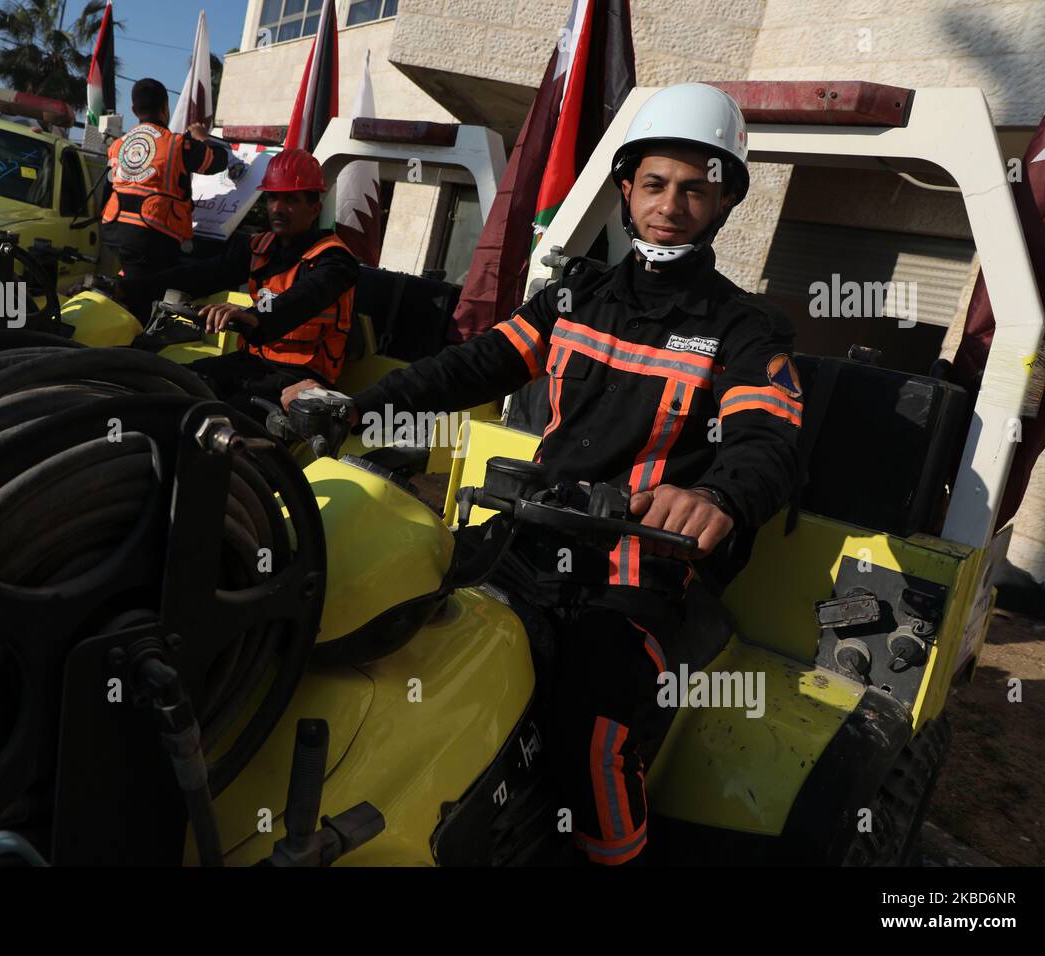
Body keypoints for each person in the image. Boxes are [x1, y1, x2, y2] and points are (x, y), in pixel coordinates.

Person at [283, 83, 802, 865]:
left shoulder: (744, 327)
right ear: (626, 189)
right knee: (380, 623)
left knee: (591, 732)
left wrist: (717, 497)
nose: (672, 205)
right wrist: (358, 407)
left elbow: (769, 440)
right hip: (526, 537)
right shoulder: (574, 294)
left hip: (638, 572)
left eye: (697, 188)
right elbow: (474, 365)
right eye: (656, 183)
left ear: (725, 199)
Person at [121, 148, 359, 421]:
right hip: (251, 365)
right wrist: (127, 289)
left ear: (315, 208)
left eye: (290, 199)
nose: (277, 209)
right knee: (171, 385)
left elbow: (302, 299)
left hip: (301, 382)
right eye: (272, 198)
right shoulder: (260, 247)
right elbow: (200, 275)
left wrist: (253, 318)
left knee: (218, 422)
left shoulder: (335, 262)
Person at [101, 78, 229, 320]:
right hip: (154, 234)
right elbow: (218, 161)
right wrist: (202, 137)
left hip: (116, 230)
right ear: (165, 107)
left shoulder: (117, 145)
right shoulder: (178, 145)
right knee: (149, 298)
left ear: (133, 110)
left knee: (132, 285)